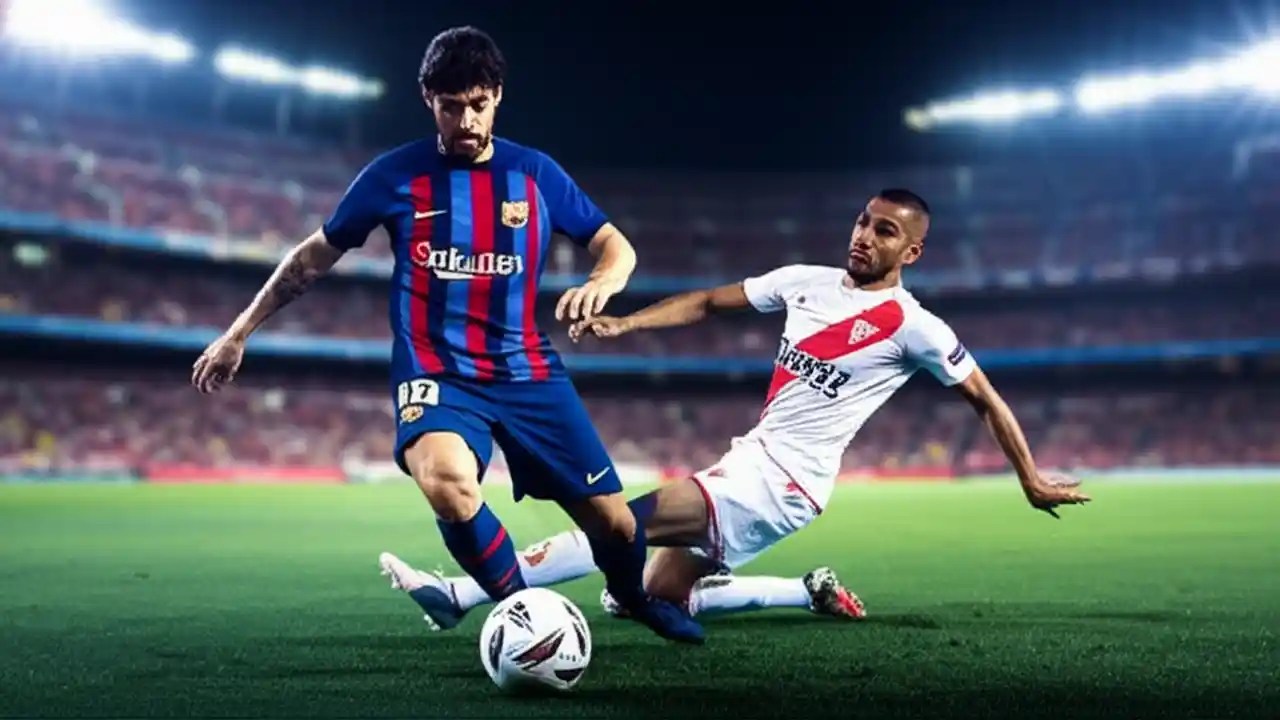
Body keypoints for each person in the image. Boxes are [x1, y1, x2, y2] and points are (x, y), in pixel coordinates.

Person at [191, 26, 702, 644]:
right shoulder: (393, 176)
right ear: (427, 99)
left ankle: (632, 597)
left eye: (478, 104)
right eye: (451, 105)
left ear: (498, 97)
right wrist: (239, 332)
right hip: (435, 374)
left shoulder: (535, 174)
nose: (466, 119)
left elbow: (614, 244)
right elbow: (310, 260)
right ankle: (526, 617)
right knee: (447, 483)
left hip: (525, 370)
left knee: (617, 527)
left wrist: (606, 278)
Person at [378, 188, 1091, 627]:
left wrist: (1028, 477)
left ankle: (460, 594)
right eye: (863, 221)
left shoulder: (915, 326)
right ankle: (805, 592)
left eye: (884, 231)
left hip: (787, 481)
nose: (864, 236)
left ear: (915, 249)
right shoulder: (807, 281)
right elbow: (707, 302)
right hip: (753, 459)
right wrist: (626, 325)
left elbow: (985, 398)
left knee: (619, 524)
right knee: (643, 598)